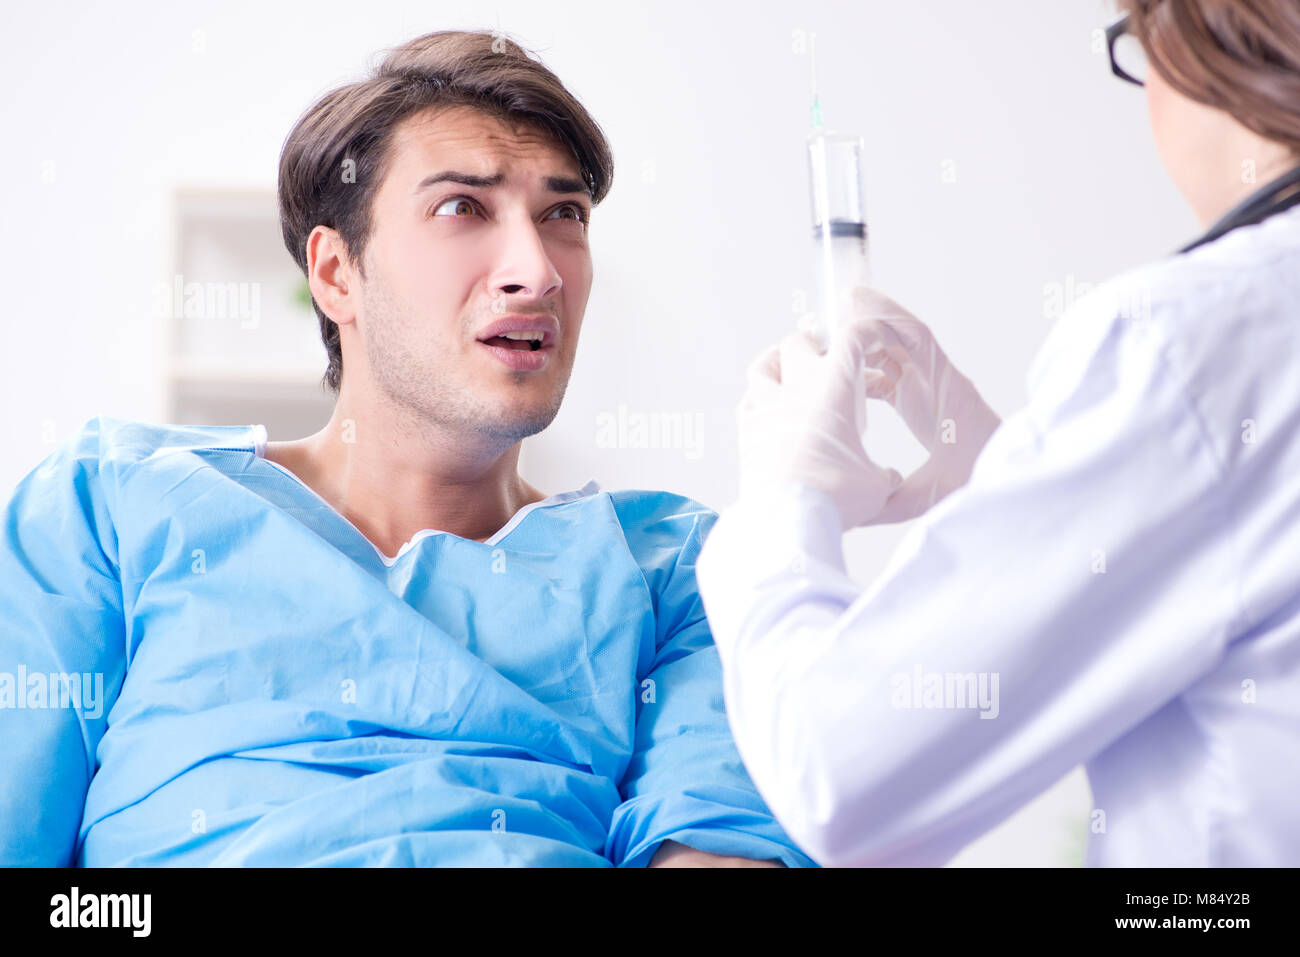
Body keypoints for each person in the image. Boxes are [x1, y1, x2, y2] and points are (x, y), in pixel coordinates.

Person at [0, 30, 812, 868]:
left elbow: (716, 850)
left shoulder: (677, 569)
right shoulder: (109, 508)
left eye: (562, 214)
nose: (536, 270)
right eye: (463, 207)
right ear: (337, 273)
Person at [696, 0, 1300, 867]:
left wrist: (780, 505)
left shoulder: (1187, 336)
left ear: (1202, 37)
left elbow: (839, 773)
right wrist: (1003, 471)